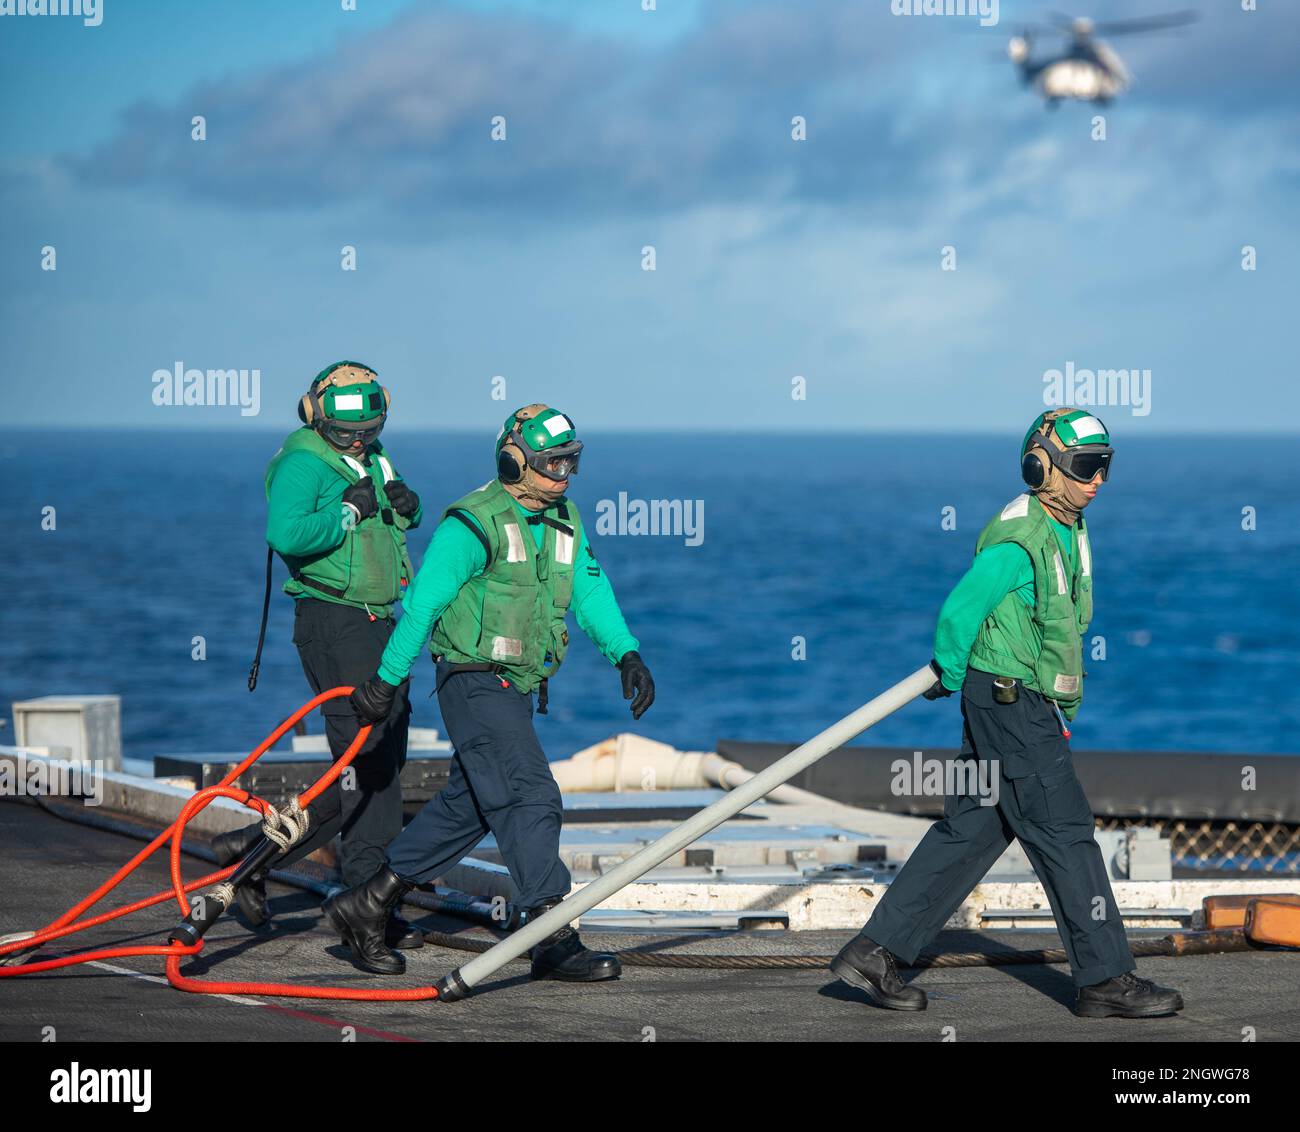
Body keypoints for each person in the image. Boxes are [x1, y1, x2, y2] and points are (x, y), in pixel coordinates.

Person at [831, 408, 1184, 1019]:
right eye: (1084, 467)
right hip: (1012, 703)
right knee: (1067, 834)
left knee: (973, 828)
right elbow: (962, 606)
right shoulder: (1020, 539)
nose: (1097, 480)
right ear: (1040, 467)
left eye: (1104, 467)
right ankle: (1105, 978)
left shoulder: (1063, 522)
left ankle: (876, 951)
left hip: (1015, 701)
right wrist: (951, 668)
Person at [323, 404, 655, 983]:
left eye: (572, 463)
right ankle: (550, 932)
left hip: (515, 686)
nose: (565, 476)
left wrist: (625, 652)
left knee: (470, 805)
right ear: (514, 461)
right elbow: (421, 606)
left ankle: (367, 902)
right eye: (554, 464)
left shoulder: (564, 519)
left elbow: (590, 590)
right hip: (474, 682)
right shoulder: (471, 525)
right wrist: (385, 681)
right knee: (532, 796)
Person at [213, 362, 424, 952]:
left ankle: (250, 851)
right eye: (345, 431)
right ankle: (365, 908)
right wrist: (349, 512)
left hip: (382, 621)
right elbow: (286, 533)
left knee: (373, 765)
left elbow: (404, 515)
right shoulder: (302, 462)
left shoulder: (373, 454)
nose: (357, 440)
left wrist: (407, 505)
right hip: (336, 621)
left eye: (368, 429)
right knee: (371, 768)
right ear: (315, 415)